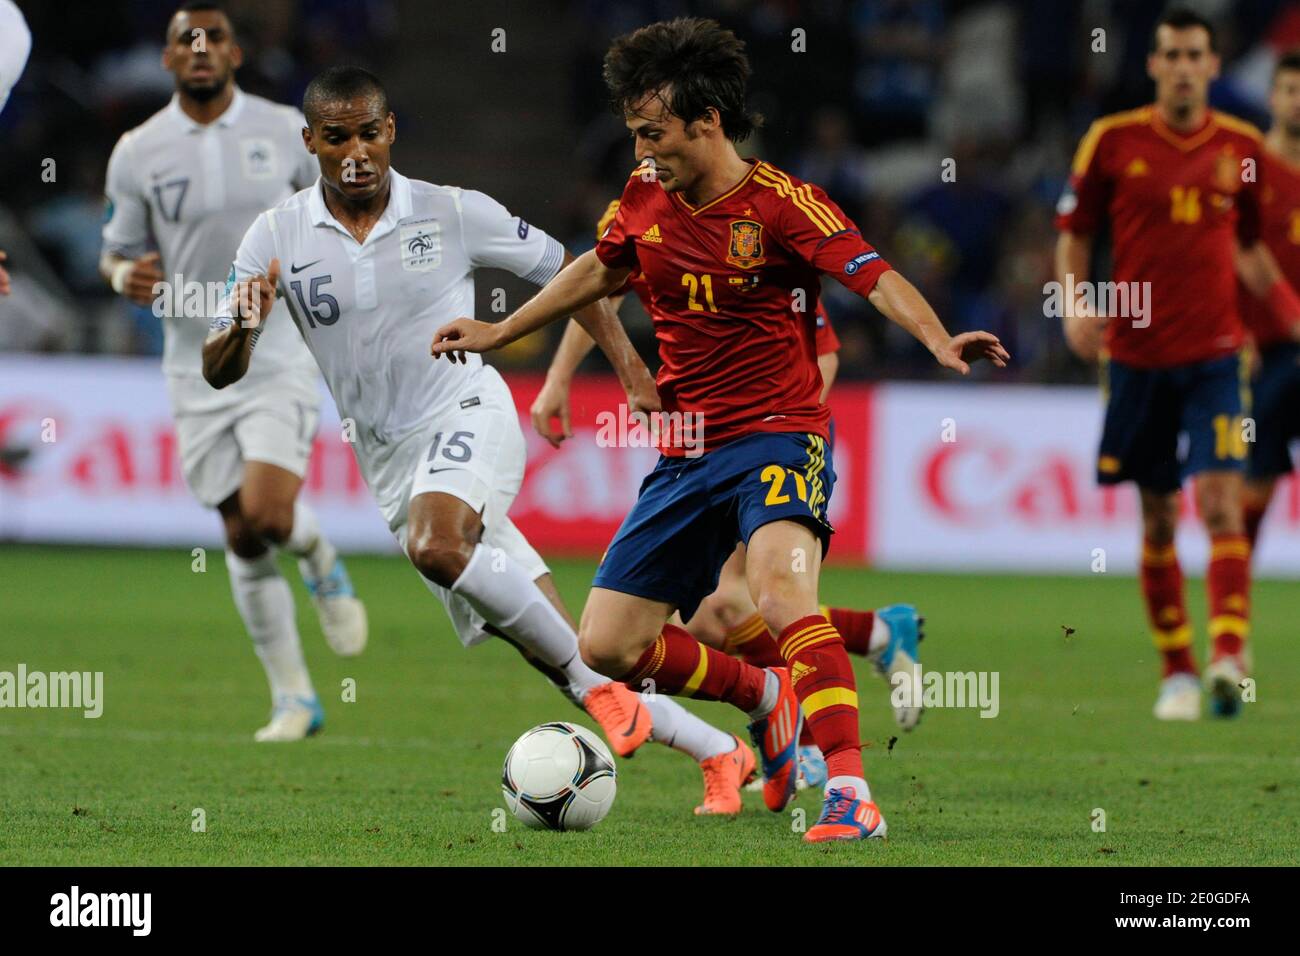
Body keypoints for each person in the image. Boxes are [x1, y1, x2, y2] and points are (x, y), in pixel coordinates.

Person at [432, 18, 1007, 842]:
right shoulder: (643, 196)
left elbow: (873, 277)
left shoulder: (781, 204)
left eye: (652, 131)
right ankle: (763, 696)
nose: (641, 147)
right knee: (607, 646)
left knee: (777, 596)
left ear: (705, 122)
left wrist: (939, 338)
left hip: (778, 432)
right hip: (686, 450)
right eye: (636, 131)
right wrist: (499, 332)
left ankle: (851, 791)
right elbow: (596, 271)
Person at [203, 65, 763, 816]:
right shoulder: (276, 234)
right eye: (337, 138)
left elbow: (574, 271)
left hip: (466, 409)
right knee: (561, 648)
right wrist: (241, 322)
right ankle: (720, 749)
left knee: (438, 545)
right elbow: (219, 369)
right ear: (311, 142)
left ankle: (607, 694)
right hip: (393, 464)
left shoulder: (453, 213)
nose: (357, 152)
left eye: (370, 132)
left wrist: (629, 365)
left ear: (391, 129)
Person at [100, 2, 366, 741]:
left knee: (271, 515)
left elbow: (339, 212)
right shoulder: (137, 150)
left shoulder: (285, 129)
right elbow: (113, 251)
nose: (200, 49)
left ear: (236, 53)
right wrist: (125, 274)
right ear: (166, 59)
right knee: (242, 535)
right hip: (190, 358)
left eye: (213, 36)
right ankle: (295, 699)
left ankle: (317, 552)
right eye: (186, 38)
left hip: (276, 344)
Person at [1056, 7, 1279, 720]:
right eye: (1171, 55)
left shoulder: (1243, 149)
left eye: (1195, 55)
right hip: (1137, 359)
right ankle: (1177, 670)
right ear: (1153, 65)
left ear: (1214, 66)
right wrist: (1072, 301)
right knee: (1157, 521)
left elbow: (1247, 244)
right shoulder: (1113, 140)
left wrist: (1284, 316)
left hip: (1218, 357)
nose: (1183, 66)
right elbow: (1075, 233)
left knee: (1220, 504)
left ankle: (1227, 657)